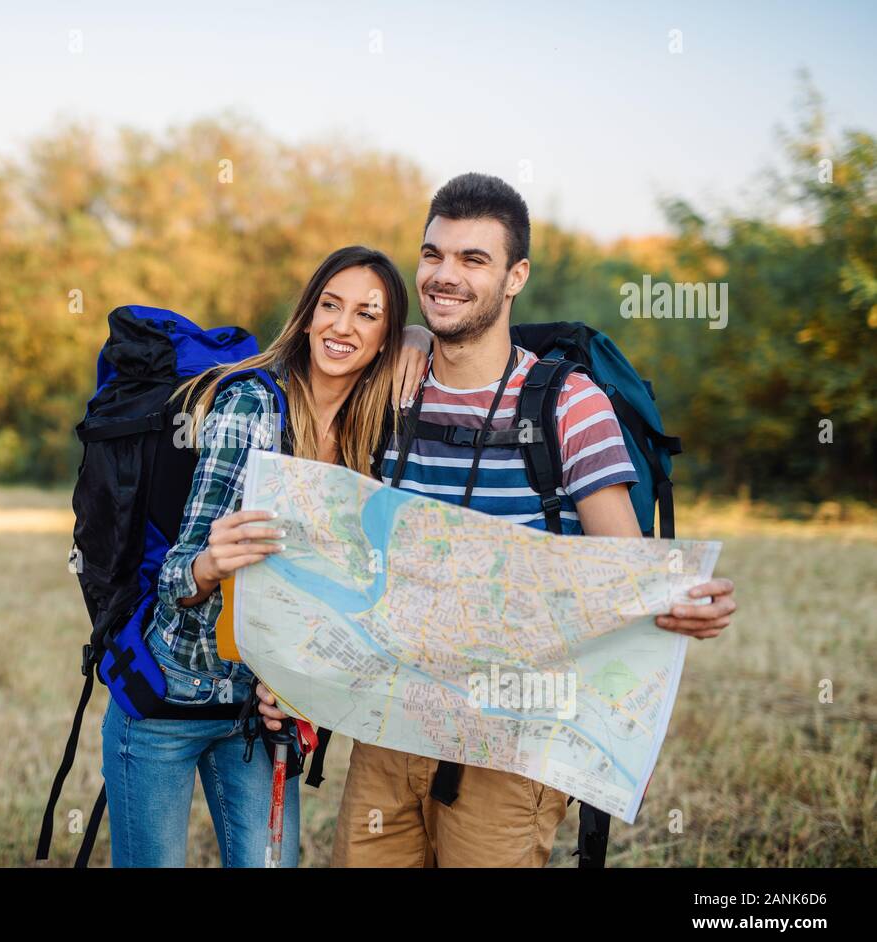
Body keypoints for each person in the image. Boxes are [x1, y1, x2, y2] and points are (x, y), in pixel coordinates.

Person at [256, 173, 739, 867]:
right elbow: (339, 545)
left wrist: (682, 601)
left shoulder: (568, 407)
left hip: (511, 745)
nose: (445, 276)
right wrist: (294, 671)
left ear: (517, 276)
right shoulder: (388, 384)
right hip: (389, 729)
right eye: (434, 255)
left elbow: (627, 574)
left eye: (473, 260)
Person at [102, 245, 409, 867]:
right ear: (307, 314)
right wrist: (209, 566)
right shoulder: (251, 403)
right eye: (330, 305)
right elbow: (176, 575)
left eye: (367, 315)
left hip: (259, 712)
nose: (342, 326)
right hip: (171, 694)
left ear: (386, 340)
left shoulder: (368, 439)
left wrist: (306, 687)